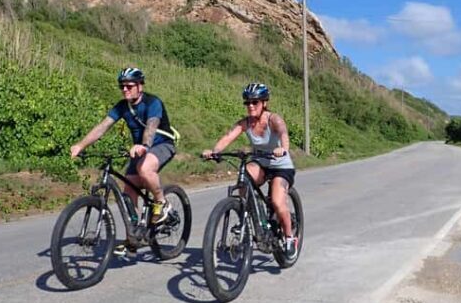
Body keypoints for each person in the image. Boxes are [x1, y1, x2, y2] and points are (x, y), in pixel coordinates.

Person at [70, 67, 176, 254]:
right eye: (122, 86)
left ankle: (162, 202)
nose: (125, 89)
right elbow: (102, 127)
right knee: (129, 189)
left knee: (145, 169)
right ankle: (132, 237)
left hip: (161, 145)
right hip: (139, 150)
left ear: (140, 86)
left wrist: (143, 144)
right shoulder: (121, 106)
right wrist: (80, 145)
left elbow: (151, 127)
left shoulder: (153, 102)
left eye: (129, 86)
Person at [202, 82, 298, 254]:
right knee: (244, 179)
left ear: (264, 103)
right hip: (261, 162)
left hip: (280, 166)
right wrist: (214, 151)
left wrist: (283, 148)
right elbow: (228, 137)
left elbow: (283, 132)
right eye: (247, 103)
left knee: (277, 201)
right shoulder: (246, 123)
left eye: (255, 102)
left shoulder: (273, 119)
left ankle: (290, 237)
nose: (250, 106)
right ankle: (246, 219)